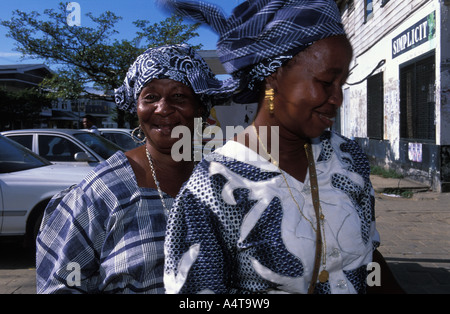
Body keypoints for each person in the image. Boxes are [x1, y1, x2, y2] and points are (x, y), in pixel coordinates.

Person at [162, 0, 404, 294]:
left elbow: (367, 262)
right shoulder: (213, 186)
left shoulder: (348, 159)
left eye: (342, 83)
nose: (338, 98)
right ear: (274, 76)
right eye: (326, 82)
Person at [35, 44, 233, 293]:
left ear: (201, 107)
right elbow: (63, 282)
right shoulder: (102, 191)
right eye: (150, 97)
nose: (163, 108)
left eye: (179, 96)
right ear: (136, 107)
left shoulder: (224, 182)